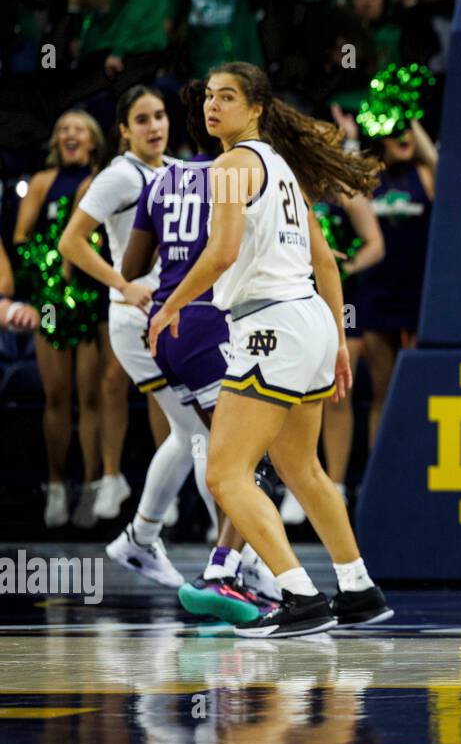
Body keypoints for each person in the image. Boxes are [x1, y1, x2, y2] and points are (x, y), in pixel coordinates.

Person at [147, 61, 392, 637]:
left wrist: (171, 304)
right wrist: (333, 342)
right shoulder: (281, 168)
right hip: (306, 320)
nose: (212, 106)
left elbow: (222, 252)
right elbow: (326, 262)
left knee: (226, 473)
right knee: (301, 467)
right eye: (208, 96)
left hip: (270, 324)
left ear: (255, 108)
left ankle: (299, 594)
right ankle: (357, 588)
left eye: (227, 97)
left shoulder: (231, 165)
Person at [121, 80, 279, 619]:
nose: (214, 106)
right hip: (210, 322)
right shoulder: (240, 173)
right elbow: (226, 254)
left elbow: (130, 268)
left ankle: (228, 562)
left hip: (169, 335)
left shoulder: (163, 179)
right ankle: (227, 570)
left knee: (218, 452)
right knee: (243, 462)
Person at [58, 87, 208, 586]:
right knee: (207, 434)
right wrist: (122, 282)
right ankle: (239, 560)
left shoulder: (175, 172)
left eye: (161, 116)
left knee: (192, 435)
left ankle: (141, 539)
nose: (154, 126)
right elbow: (70, 241)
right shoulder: (119, 175)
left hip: (171, 317)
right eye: (141, 119)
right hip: (135, 320)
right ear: (123, 129)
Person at [281, 109, 432, 524]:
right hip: (297, 301)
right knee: (305, 391)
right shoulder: (286, 186)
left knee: (351, 388)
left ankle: (349, 481)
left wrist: (341, 269)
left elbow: (373, 244)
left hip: (357, 299)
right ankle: (306, 480)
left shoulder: (346, 189)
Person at [13, 110, 107, 528]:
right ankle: (55, 484)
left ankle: (91, 486)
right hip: (51, 298)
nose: (71, 134)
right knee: (56, 395)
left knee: (90, 396)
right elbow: (20, 240)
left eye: (79, 129)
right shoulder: (40, 183)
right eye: (63, 128)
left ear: (93, 140)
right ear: (56, 139)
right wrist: (51, 280)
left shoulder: (103, 179)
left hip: (90, 296)